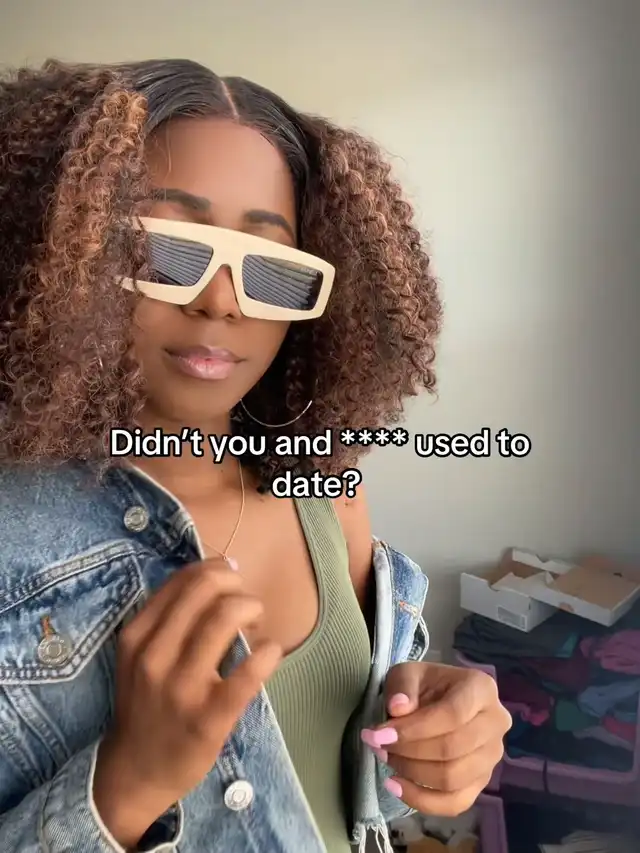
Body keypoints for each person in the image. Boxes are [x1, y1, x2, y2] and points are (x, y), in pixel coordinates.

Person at [0, 58, 510, 853]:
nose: (222, 301)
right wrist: (124, 787)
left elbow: (362, 785)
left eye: (272, 270)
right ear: (65, 257)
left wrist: (438, 734)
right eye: (166, 252)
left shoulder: (326, 487)